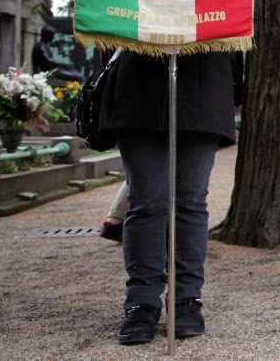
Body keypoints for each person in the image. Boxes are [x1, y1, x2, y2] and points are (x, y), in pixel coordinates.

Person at [99, 51, 238, 344]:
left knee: (190, 201)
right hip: (138, 82)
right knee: (147, 200)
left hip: (203, 82)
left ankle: (187, 300)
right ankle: (141, 302)